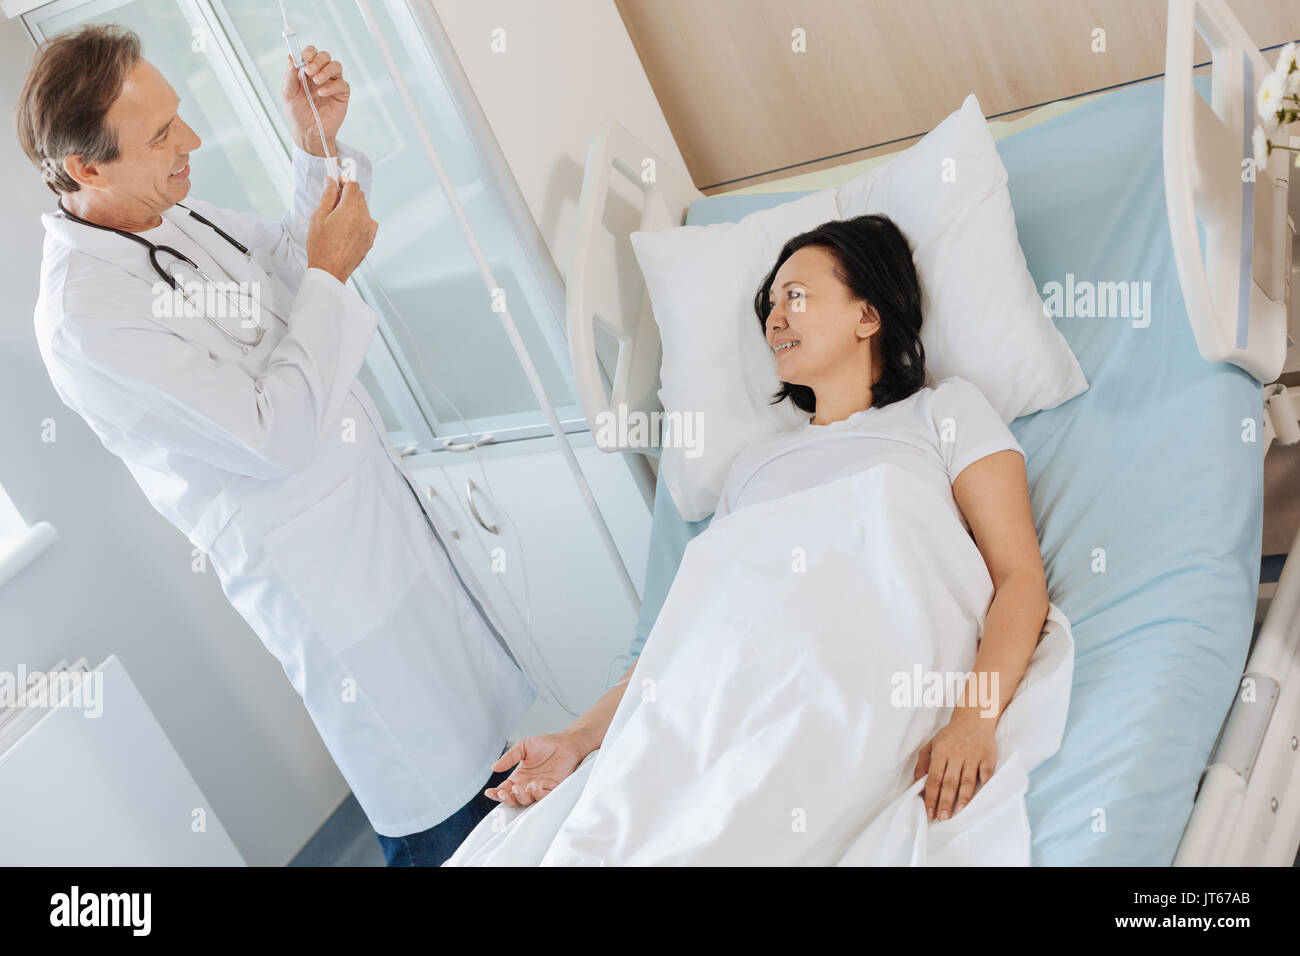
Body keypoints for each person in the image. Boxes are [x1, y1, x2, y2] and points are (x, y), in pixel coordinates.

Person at [17, 24, 534, 866]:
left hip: (376, 534)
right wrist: (328, 276)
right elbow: (271, 432)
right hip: (330, 589)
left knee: (493, 778)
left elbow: (291, 272)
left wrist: (317, 147)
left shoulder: (168, 217)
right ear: (85, 169)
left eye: (179, 118)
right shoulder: (85, 313)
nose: (190, 144)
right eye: (160, 137)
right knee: (441, 818)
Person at [476, 214, 1051, 839]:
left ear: (868, 315)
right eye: (770, 305)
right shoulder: (752, 467)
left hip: (856, 686)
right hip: (719, 701)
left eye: (796, 297)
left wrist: (974, 718)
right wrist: (577, 738)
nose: (774, 320)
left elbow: (1019, 578)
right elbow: (688, 639)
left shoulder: (944, 412)